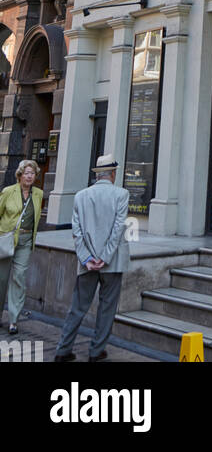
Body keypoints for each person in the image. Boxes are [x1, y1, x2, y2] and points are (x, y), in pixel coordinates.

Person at [53, 154, 130, 363]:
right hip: (112, 262)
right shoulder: (121, 194)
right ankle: (96, 351)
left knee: (77, 307)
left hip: (87, 262)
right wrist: (104, 258)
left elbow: (76, 232)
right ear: (113, 174)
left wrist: (87, 258)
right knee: (107, 308)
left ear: (98, 175)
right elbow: (118, 230)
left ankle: (62, 350)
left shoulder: (81, 196)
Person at [0, 159, 43, 335]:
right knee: (1, 280)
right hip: (7, 239)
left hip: (25, 240)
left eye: (32, 173)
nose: (29, 176)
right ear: (19, 175)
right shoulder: (8, 191)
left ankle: (13, 320)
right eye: (26, 173)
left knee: (19, 278)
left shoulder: (38, 194)